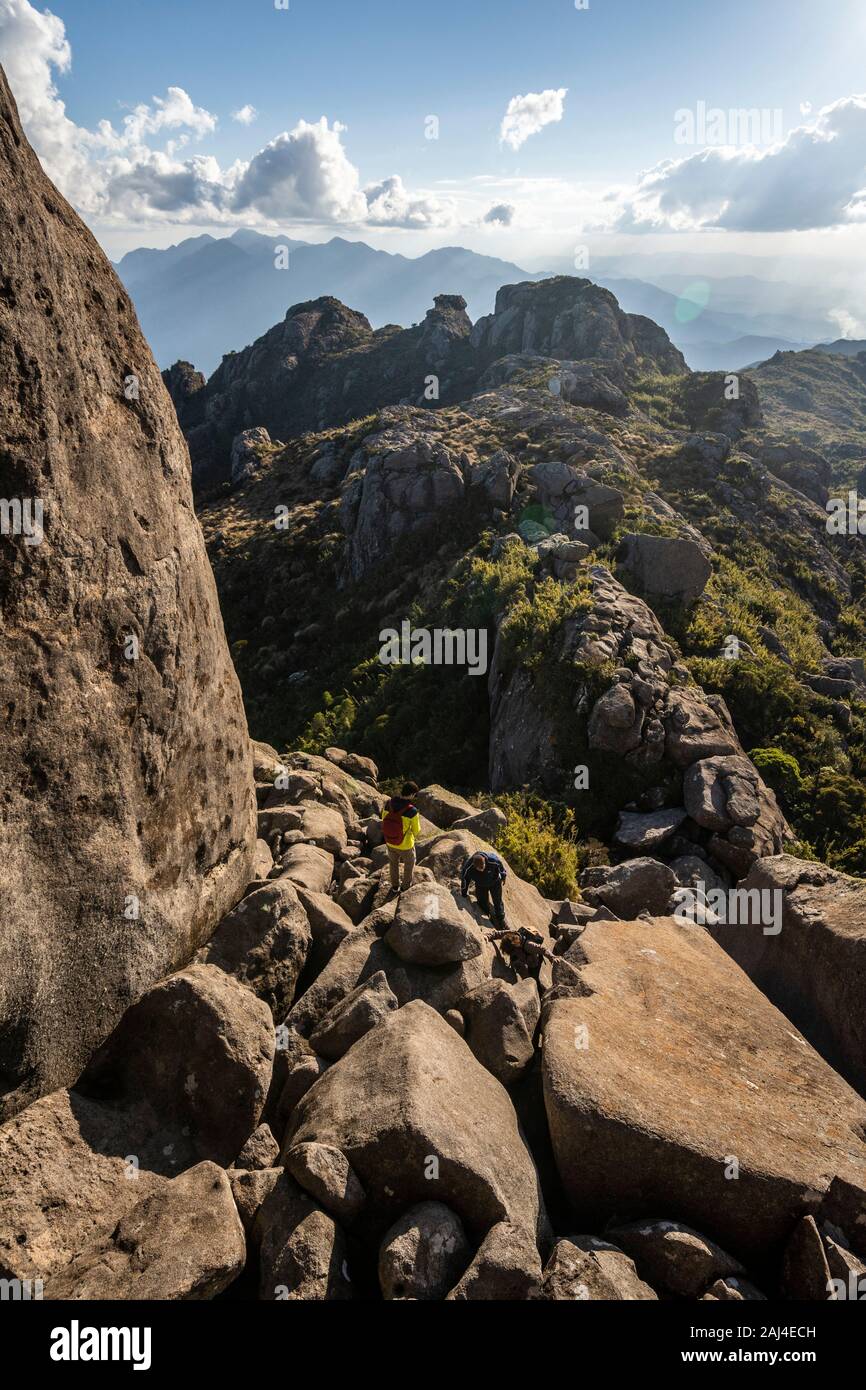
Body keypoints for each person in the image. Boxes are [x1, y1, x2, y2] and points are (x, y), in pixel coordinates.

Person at [381, 781, 422, 894]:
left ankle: (394, 887)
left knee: (393, 863)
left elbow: (384, 819)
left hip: (389, 841)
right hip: (405, 845)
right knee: (409, 864)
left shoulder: (388, 803)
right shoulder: (412, 811)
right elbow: (416, 830)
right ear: (412, 794)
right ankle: (405, 887)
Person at [460, 849, 507, 928]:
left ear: (485, 861)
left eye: (483, 867)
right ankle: (488, 917)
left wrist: (503, 877)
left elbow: (501, 867)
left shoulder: (492, 859)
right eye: (479, 869)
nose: (482, 870)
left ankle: (500, 920)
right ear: (475, 866)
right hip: (480, 885)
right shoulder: (469, 867)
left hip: (495, 882)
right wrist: (464, 893)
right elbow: (465, 879)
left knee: (497, 901)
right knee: (482, 903)